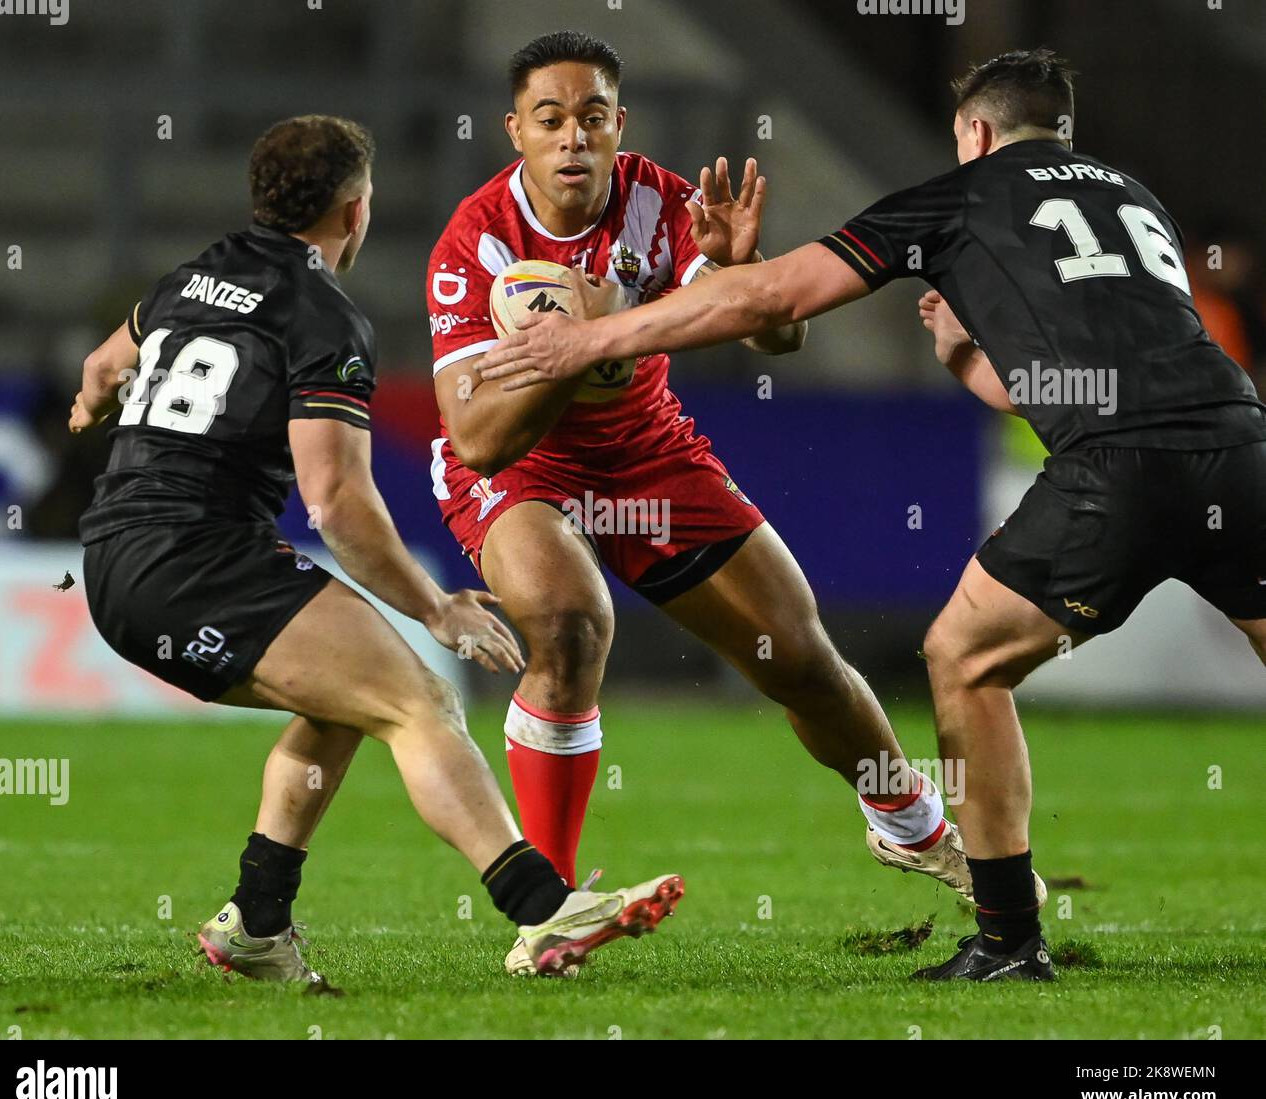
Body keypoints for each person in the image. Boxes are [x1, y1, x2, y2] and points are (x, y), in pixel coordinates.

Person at [478, 48, 1266, 982]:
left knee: (965, 661)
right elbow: (1093, 376)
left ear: (973, 133)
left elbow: (774, 299)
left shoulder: (958, 198)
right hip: (1242, 449)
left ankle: (1009, 940)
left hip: (1116, 476)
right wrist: (968, 367)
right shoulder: (1135, 200)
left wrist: (585, 340)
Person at [70, 114, 682, 987]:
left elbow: (103, 363)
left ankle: (257, 922)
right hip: (196, 564)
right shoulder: (324, 317)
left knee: (345, 700)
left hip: (115, 559)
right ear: (355, 212)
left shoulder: (191, 277)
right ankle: (545, 911)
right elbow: (336, 503)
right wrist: (434, 606)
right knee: (417, 701)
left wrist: (93, 405)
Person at [428, 30, 989, 975]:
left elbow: (781, 346)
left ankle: (911, 823)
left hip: (648, 453)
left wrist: (745, 275)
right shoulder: (474, 241)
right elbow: (480, 437)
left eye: (593, 119)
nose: (574, 141)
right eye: (552, 121)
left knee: (802, 661)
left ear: (620, 126)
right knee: (567, 625)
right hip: (522, 466)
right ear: (515, 131)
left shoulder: (662, 203)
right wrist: (584, 347)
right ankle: (554, 911)